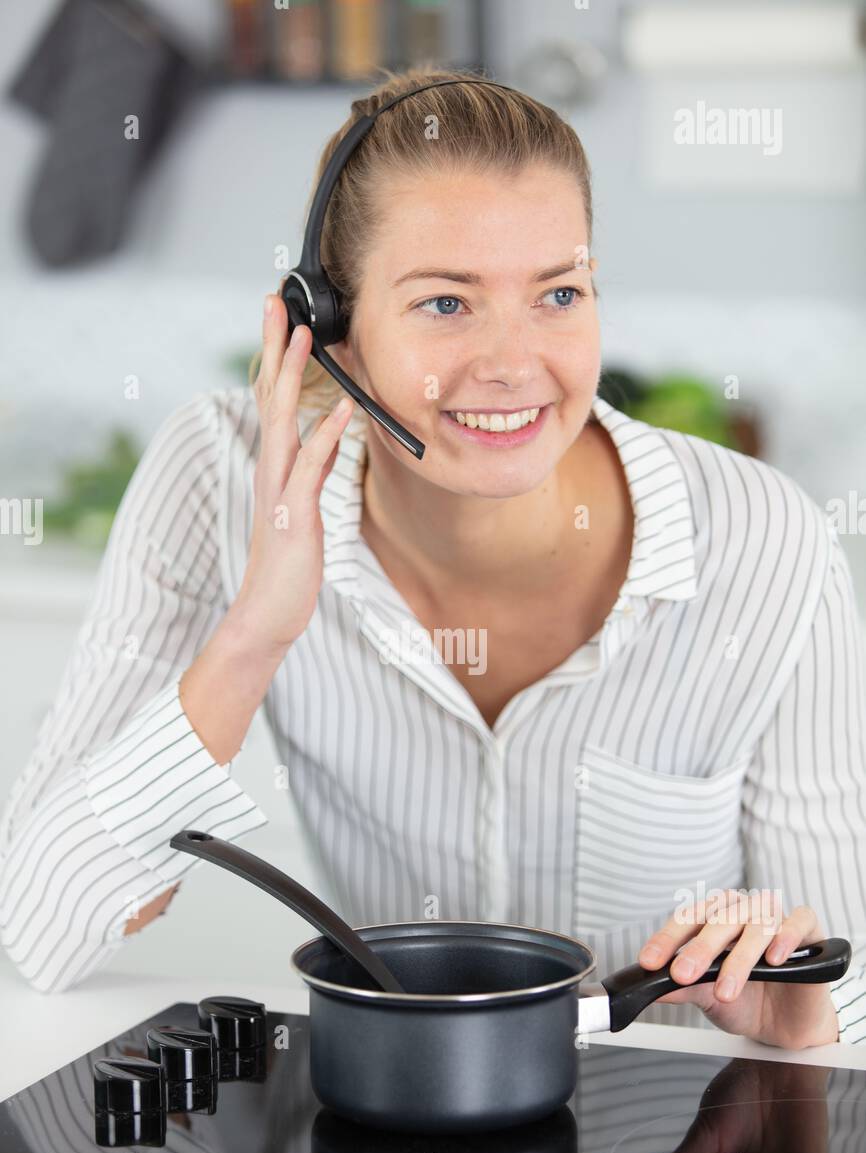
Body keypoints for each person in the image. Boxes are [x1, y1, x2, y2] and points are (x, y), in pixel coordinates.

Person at [1, 68, 864, 1047]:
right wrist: (254, 633)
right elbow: (43, 930)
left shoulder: (764, 540)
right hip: (392, 1127)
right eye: (445, 304)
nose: (510, 362)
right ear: (328, 329)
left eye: (557, 294)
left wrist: (796, 1015)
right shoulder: (220, 477)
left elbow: (850, 989)